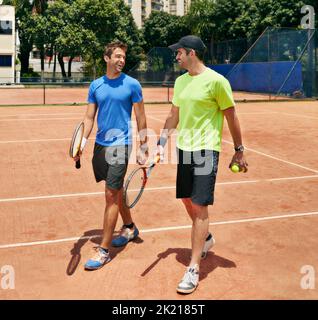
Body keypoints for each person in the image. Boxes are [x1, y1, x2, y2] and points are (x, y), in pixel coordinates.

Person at [156, 35, 248, 294]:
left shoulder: (217, 82)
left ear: (191, 54)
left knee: (199, 204)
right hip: (185, 148)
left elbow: (231, 116)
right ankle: (206, 239)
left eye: (179, 52)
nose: (176, 57)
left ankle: (193, 267)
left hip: (207, 150)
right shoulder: (181, 81)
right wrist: (159, 144)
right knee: (186, 199)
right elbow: (174, 116)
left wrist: (239, 151)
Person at [74, 41, 148, 270]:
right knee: (116, 191)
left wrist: (143, 147)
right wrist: (81, 142)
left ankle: (103, 250)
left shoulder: (132, 85)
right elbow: (89, 118)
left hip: (121, 144)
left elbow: (141, 117)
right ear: (106, 58)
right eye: (117, 56)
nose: (121, 60)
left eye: (123, 57)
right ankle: (129, 227)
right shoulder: (96, 86)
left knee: (110, 194)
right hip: (101, 145)